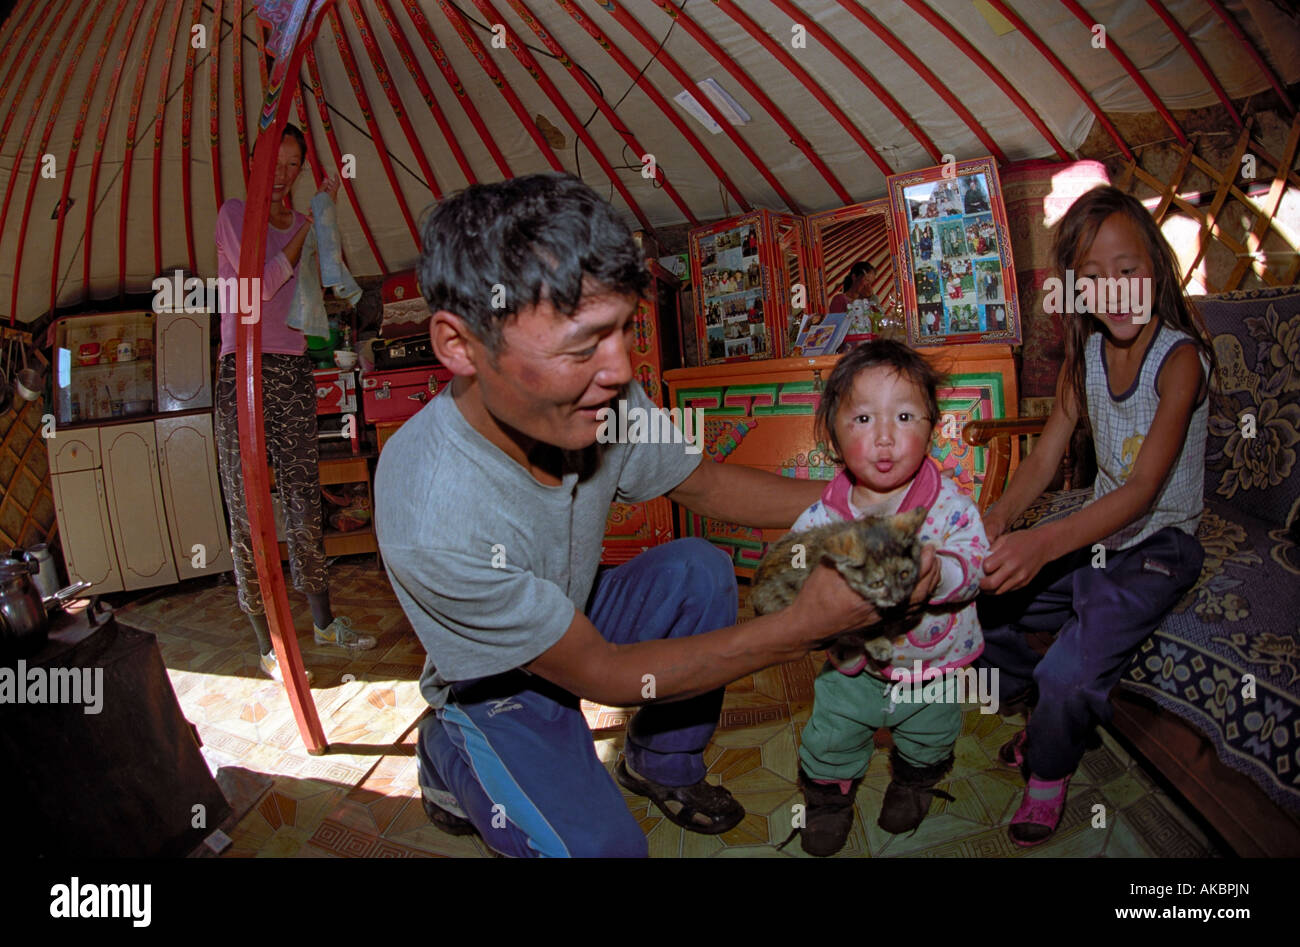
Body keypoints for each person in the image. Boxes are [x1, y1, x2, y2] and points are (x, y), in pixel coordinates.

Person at [374, 173, 927, 858]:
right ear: (460, 345)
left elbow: (705, 483)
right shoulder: (432, 508)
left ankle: (659, 762)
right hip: (499, 684)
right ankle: (448, 744)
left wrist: (866, 508)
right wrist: (799, 630)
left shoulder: (600, 394)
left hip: (573, 614)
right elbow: (602, 673)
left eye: (624, 330)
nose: (620, 368)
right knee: (607, 851)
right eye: (583, 345)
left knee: (700, 568)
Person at [976, 185, 1212, 846]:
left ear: (1157, 269)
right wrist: (998, 517)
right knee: (989, 604)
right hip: (1096, 533)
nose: (1116, 290)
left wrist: (1045, 542)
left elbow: (1140, 489)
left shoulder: (1181, 359)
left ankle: (1048, 774)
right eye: (1094, 277)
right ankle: (1038, 716)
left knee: (1069, 671)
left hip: (1159, 540)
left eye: (1128, 269)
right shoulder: (1084, 363)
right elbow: (1045, 459)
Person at [790, 341, 987, 856]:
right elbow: (796, 567)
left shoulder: (951, 507)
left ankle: (915, 781)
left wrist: (939, 573)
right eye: (861, 418)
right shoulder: (823, 515)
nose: (883, 437)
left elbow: (975, 568)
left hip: (934, 663)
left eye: (903, 416)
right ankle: (829, 800)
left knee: (931, 731)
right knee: (831, 735)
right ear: (832, 432)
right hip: (852, 663)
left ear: (932, 427)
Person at [213, 124, 377, 684]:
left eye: (292, 165)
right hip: (242, 369)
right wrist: (305, 236)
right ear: (256, 163)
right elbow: (256, 288)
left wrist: (324, 217)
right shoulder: (235, 214)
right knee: (247, 502)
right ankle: (269, 643)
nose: (282, 175)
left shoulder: (303, 220)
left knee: (305, 495)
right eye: (273, 164)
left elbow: (325, 281)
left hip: (288, 365)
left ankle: (324, 622)